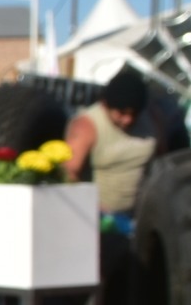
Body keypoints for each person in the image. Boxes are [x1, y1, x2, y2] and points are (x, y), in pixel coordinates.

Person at [64, 68, 161, 228]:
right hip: (98, 220)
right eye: (122, 113)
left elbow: (162, 162)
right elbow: (68, 174)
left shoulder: (152, 119)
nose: (128, 120)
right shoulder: (86, 126)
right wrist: (93, 212)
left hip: (138, 217)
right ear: (105, 105)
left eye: (134, 114)